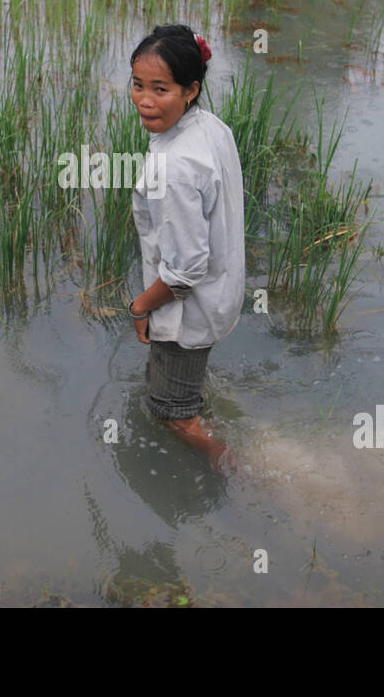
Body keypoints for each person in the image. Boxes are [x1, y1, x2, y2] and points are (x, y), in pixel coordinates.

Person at [127, 24, 245, 474]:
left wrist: (140, 308)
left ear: (191, 90)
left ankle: (233, 466)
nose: (145, 99)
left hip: (188, 311)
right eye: (138, 85)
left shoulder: (173, 167)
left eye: (161, 89)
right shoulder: (210, 128)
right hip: (221, 293)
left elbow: (183, 273)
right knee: (181, 392)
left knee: (171, 415)